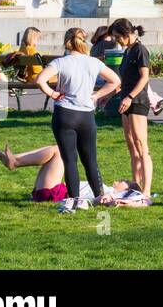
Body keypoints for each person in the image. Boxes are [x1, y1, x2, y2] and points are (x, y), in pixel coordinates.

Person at [36, 28, 121, 213]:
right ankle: (100, 196)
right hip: (86, 115)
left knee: (70, 160)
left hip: (65, 113)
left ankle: (74, 200)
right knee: (90, 160)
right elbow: (115, 80)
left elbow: (40, 79)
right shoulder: (93, 63)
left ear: (66, 42)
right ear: (84, 42)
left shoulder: (60, 62)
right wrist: (97, 96)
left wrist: (53, 93)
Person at [114, 19, 155, 199]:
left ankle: (146, 191)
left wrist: (130, 97)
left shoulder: (140, 50)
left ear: (126, 33)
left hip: (137, 101)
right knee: (132, 147)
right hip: (126, 101)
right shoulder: (128, 51)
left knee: (141, 146)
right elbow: (126, 78)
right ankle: (135, 187)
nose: (116, 41)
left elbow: (144, 77)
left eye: (117, 37)